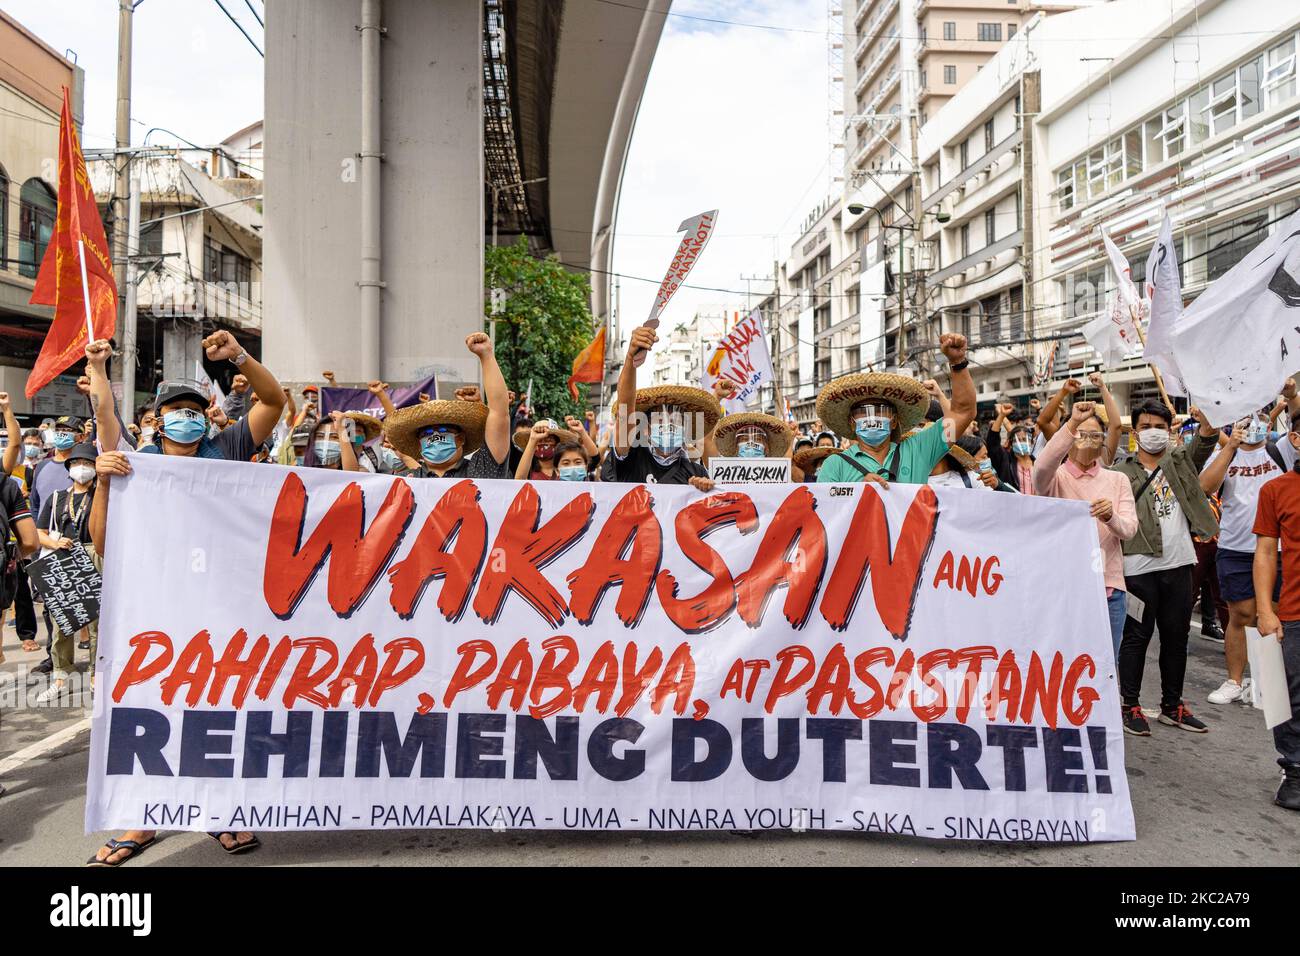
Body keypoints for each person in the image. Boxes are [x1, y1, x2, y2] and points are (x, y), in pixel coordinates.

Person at [84, 329, 284, 866]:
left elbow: (273, 402)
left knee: (214, 711)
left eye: (195, 410)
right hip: (153, 611)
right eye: (177, 410)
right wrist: (104, 482)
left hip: (221, 610)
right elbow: (104, 543)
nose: (188, 418)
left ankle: (218, 810)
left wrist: (239, 357)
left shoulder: (229, 450)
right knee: (149, 710)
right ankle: (143, 819)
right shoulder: (136, 464)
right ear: (157, 419)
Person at [1112, 402, 1219, 736]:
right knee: (1136, 638)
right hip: (1136, 567)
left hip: (1179, 563)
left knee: (1176, 637)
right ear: (1135, 432)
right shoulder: (1120, 472)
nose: (1152, 432)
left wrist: (1207, 416)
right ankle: (1129, 705)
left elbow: (1206, 440)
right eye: (1145, 426)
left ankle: (1172, 706)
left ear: (1169, 429)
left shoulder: (1180, 460)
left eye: (1159, 426)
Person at [1199, 394, 1300, 705]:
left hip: (1278, 551)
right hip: (1235, 547)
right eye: (1245, 416)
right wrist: (1230, 446)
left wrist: (1291, 395)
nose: (1252, 421)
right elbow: (1205, 487)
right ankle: (1234, 680)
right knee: (1241, 615)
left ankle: (1267, 684)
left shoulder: (1279, 449)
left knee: (1274, 616)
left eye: (1259, 415)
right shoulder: (1224, 455)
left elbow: (1297, 421)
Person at [1034, 399, 1138, 657]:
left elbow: (1129, 529)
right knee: (1063, 660)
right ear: (1069, 439)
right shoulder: (1055, 478)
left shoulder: (1118, 479)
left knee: (1107, 664)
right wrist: (1073, 422)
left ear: (1103, 441)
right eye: (1081, 435)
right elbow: (1042, 466)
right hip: (1064, 588)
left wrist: (1111, 517)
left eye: (1095, 436)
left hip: (1108, 589)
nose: (1088, 441)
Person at [815, 333, 975, 486]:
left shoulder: (919, 451)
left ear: (894, 421)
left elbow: (962, 413)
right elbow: (823, 505)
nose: (872, 417)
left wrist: (958, 362)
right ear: (852, 423)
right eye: (863, 412)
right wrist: (858, 491)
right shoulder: (834, 465)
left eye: (881, 410)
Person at [382, 333, 511, 479]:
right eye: (427, 433)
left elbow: (499, 414)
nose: (435, 435)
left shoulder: (482, 470)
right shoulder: (405, 480)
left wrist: (486, 355)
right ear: (419, 444)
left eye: (443, 430)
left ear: (461, 438)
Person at [1252, 419, 1300, 810]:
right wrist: (1265, 610)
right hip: (1294, 612)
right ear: (1295, 438)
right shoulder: (1275, 490)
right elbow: (1266, 552)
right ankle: (1295, 770)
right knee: (1292, 697)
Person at [608, 325, 722, 489]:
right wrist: (630, 358)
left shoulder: (696, 472)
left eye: (676, 421)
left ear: (685, 429)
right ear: (646, 428)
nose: (669, 426)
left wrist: (702, 489)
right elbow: (625, 411)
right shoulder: (631, 458)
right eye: (660, 420)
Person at [32, 443, 99, 705]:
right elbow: (39, 533)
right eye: (77, 463)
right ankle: (61, 678)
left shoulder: (102, 495)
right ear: (69, 468)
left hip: (93, 554)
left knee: (96, 623)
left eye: (88, 463)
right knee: (62, 622)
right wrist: (54, 543)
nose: (82, 468)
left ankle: (95, 676)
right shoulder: (57, 497)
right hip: (63, 556)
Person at [514, 420, 581, 480]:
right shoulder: (527, 468)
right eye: (539, 441)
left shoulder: (567, 469)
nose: (543, 443)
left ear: (557, 444)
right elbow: (519, 480)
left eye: (548, 440)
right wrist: (533, 439)